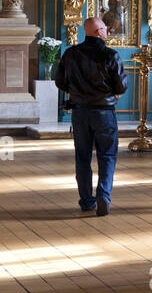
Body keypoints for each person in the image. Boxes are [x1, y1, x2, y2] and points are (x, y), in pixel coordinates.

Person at [54, 16, 128, 216]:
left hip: (79, 112)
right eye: (105, 28)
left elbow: (59, 81)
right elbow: (121, 86)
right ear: (99, 32)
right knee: (108, 155)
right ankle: (103, 195)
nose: (107, 31)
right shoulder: (110, 55)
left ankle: (87, 201)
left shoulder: (70, 54)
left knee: (83, 156)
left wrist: (76, 91)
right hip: (104, 112)